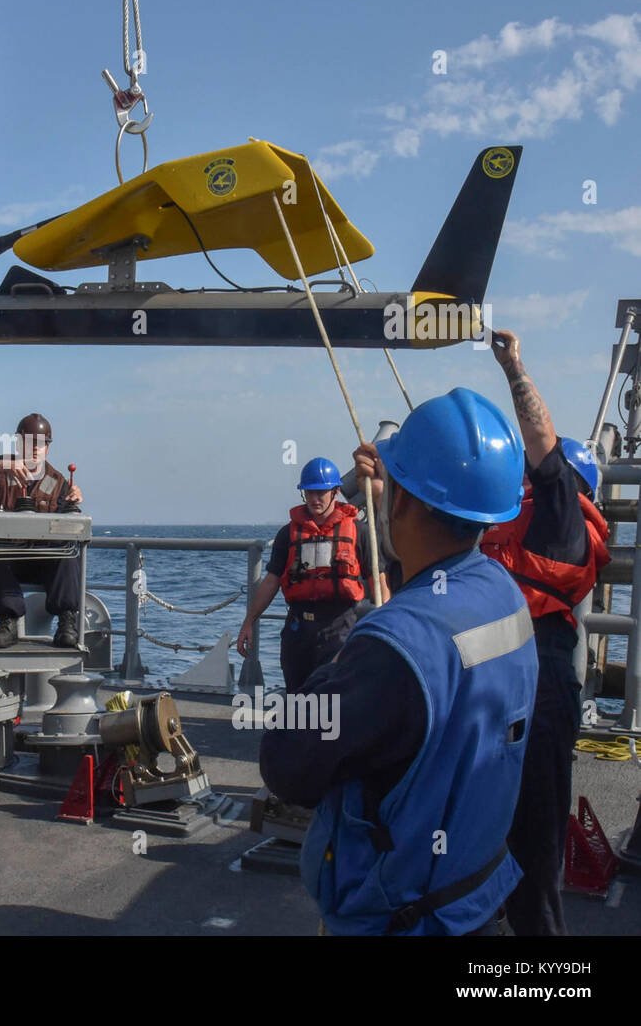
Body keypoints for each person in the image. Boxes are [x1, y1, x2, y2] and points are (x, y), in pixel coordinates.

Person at [260, 388, 539, 935]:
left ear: (403, 503)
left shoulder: (395, 644)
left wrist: (345, 655)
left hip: (408, 916)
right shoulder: (504, 593)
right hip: (477, 896)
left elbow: (286, 765)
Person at [480, 330, 611, 936]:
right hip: (508, 665)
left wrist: (514, 367)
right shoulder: (528, 520)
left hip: (539, 672)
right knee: (496, 818)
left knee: (533, 831)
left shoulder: (559, 510)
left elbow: (538, 437)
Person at [236, 456, 389, 692]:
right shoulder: (288, 535)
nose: (315, 499)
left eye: (321, 492)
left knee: (336, 698)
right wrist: (249, 621)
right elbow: (271, 581)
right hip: (299, 629)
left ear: (335, 492)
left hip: (340, 626)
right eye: (309, 493)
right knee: (298, 697)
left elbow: (378, 581)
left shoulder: (359, 532)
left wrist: (386, 627)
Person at [0, 413, 84, 649]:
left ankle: (66, 620)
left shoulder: (58, 481)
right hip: (7, 559)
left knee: (69, 554)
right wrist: (5, 466)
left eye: (40, 444)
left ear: (47, 449)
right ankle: (8, 621)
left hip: (42, 560)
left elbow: (71, 520)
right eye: (29, 442)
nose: (35, 449)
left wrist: (74, 499)